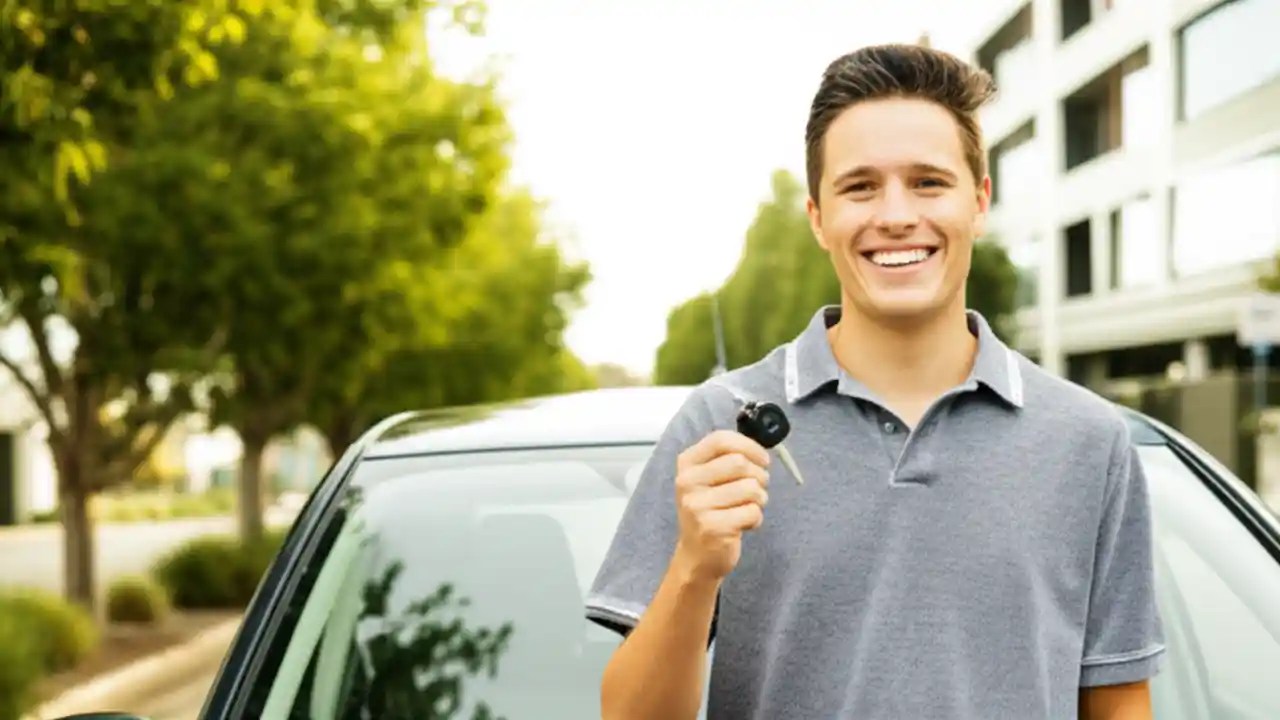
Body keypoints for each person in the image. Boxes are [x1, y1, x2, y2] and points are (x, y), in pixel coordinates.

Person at [584, 43, 1164, 719]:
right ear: (818, 218)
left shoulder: (1089, 443)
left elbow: (1120, 705)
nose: (894, 215)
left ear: (978, 202)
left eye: (928, 182)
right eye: (860, 186)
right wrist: (694, 568)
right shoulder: (719, 427)